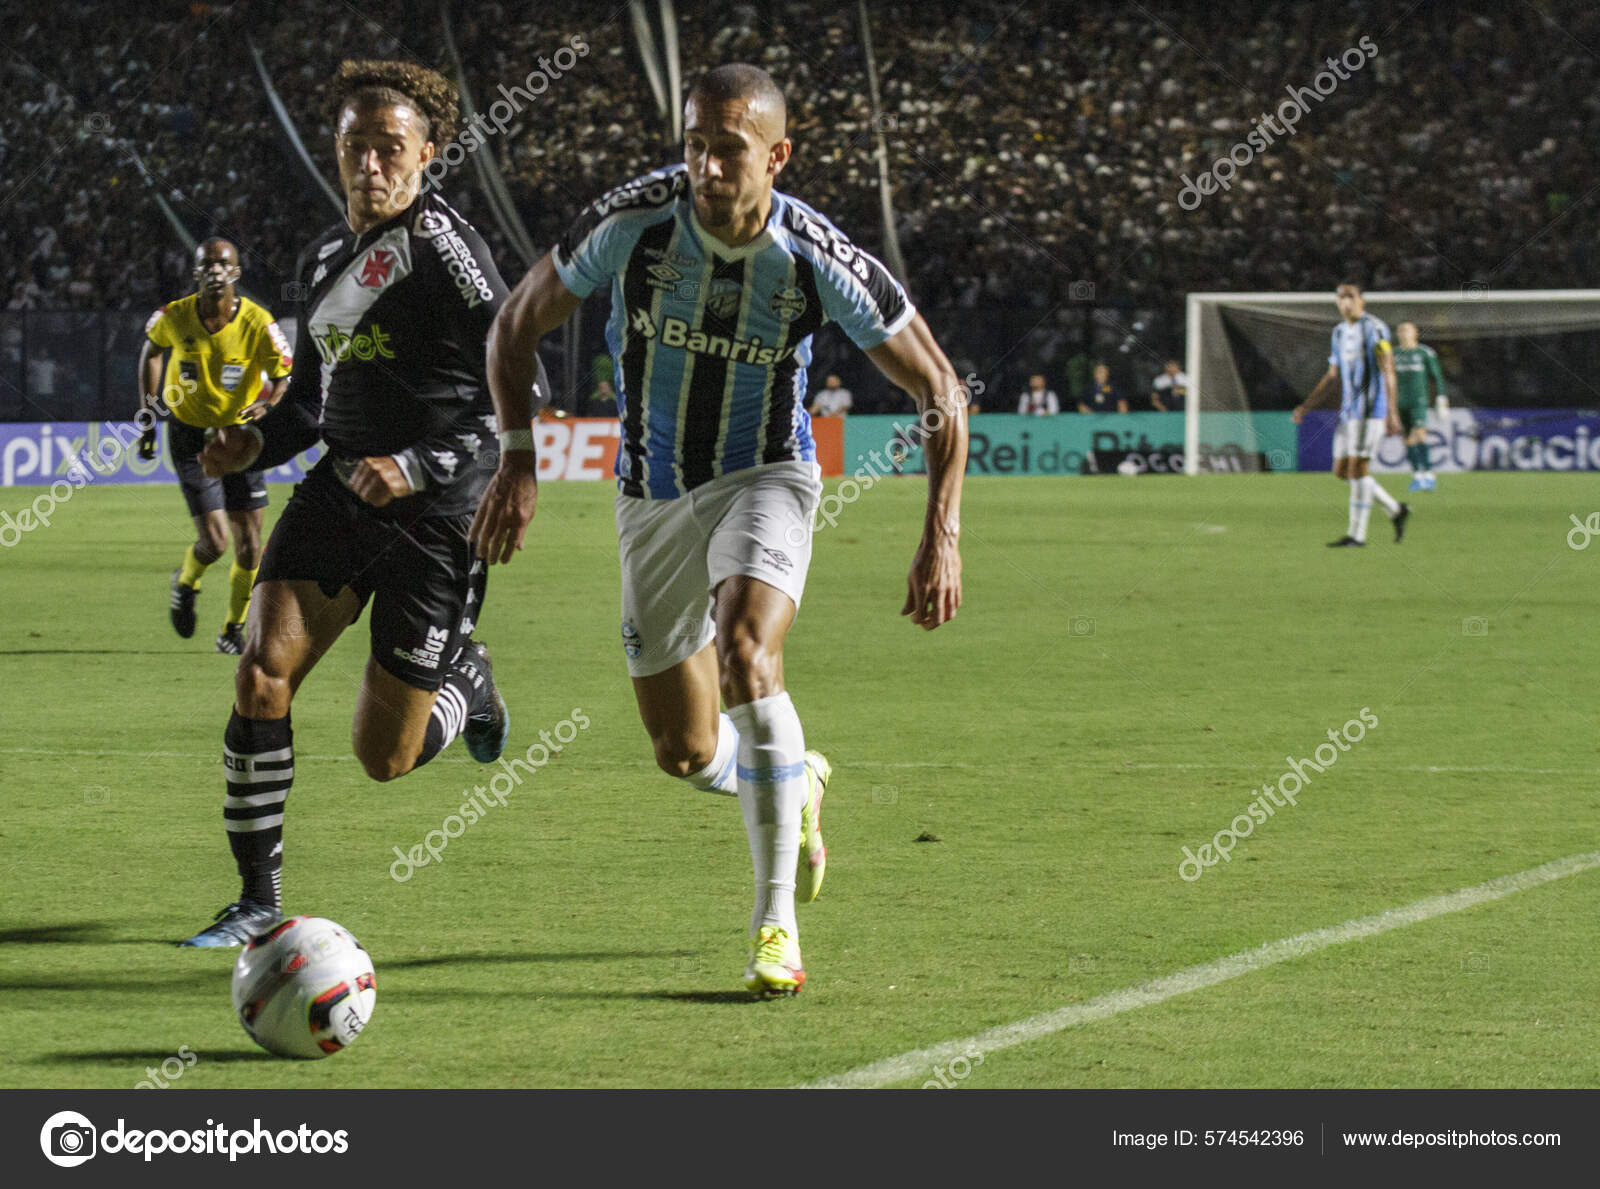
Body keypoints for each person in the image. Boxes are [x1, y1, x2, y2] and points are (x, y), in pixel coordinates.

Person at [472, 64, 967, 997]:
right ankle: (794, 781)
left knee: (748, 656)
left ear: (777, 156)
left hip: (764, 475)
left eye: (728, 148)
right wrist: (518, 457)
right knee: (686, 752)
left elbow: (939, 390)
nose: (704, 164)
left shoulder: (814, 254)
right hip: (652, 492)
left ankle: (774, 922)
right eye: (693, 143)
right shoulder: (633, 223)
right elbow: (513, 324)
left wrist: (940, 530)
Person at [179, 59, 540, 946]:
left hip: (438, 514)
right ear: (333, 151)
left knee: (386, 758)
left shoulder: (449, 253)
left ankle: (472, 684)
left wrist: (419, 462)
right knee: (261, 674)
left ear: (428, 153)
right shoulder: (321, 260)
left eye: (390, 148)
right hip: (339, 495)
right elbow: (313, 401)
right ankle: (257, 899)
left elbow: (519, 384)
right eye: (355, 146)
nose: (371, 164)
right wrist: (256, 441)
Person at [139, 239, 292, 653]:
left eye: (223, 263)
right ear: (195, 273)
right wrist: (149, 418)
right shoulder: (175, 316)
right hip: (190, 435)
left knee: (250, 545)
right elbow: (152, 352)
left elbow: (284, 376)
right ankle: (185, 582)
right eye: (206, 264)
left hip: (239, 437)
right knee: (217, 542)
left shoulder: (259, 323)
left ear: (237, 272)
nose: (215, 270)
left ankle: (232, 629)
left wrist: (269, 408)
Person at [1292, 282, 1409, 547]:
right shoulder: (1338, 333)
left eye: (1351, 297)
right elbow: (1332, 375)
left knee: (1358, 469)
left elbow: (1388, 370)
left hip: (1371, 412)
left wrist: (1392, 412)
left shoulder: (1375, 329)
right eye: (1341, 297)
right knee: (1341, 471)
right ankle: (1395, 509)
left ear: (1361, 301)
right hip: (1348, 413)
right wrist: (1306, 405)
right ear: (1336, 301)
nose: (1346, 302)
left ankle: (1357, 535)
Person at [1392, 321, 1448, 491]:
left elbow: (1436, 376)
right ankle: (1417, 475)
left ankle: (1429, 474)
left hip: (1418, 400)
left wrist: (1441, 397)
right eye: (1401, 330)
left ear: (1415, 332)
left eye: (1407, 330)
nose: (1404, 333)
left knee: (1420, 434)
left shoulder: (1424, 353)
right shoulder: (1393, 354)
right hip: (1400, 402)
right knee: (1407, 439)